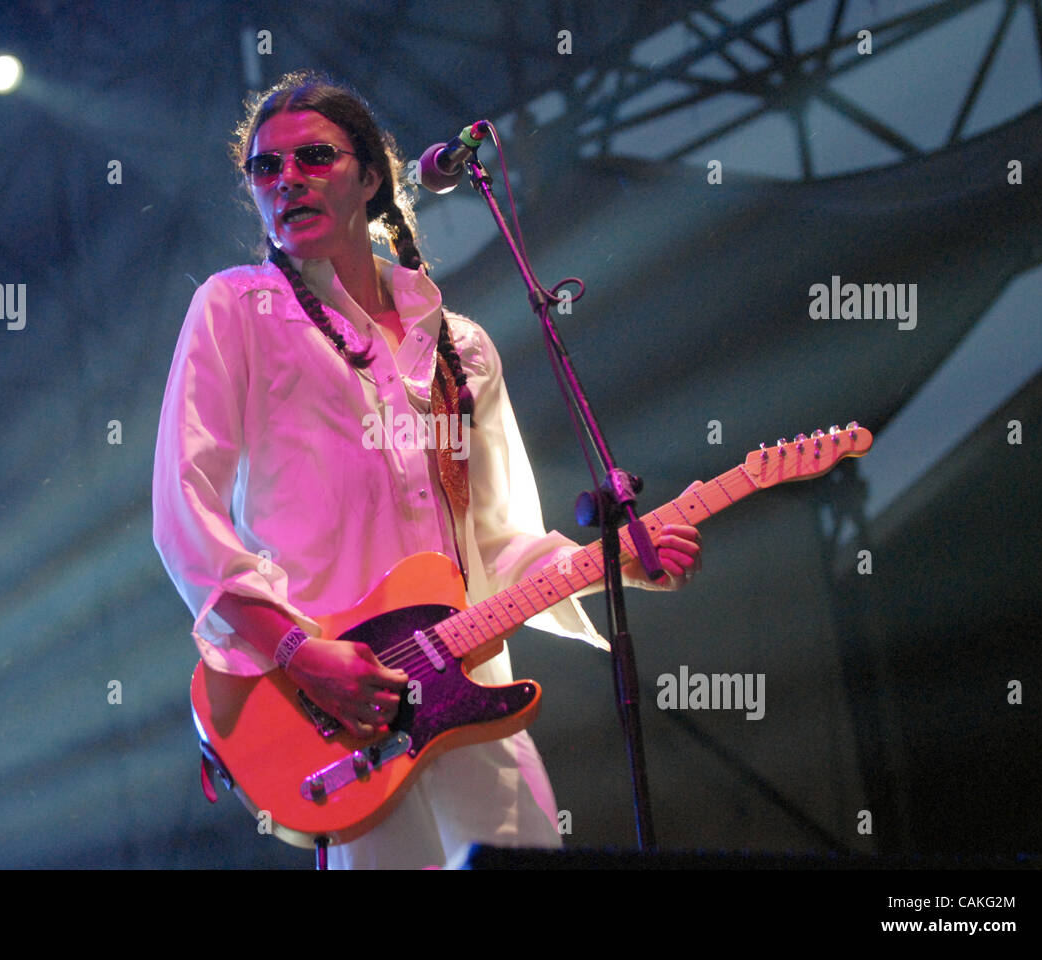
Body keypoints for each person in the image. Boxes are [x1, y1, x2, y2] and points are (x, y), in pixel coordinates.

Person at [152, 70, 701, 869]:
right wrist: (298, 655)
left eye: (313, 157)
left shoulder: (459, 345)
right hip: (341, 710)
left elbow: (499, 545)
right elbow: (183, 510)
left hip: (466, 692)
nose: (287, 180)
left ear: (371, 176)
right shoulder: (237, 309)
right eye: (266, 169)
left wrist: (607, 567)